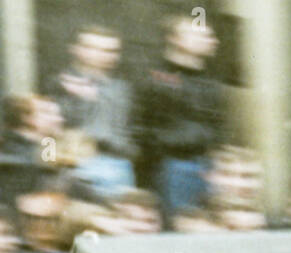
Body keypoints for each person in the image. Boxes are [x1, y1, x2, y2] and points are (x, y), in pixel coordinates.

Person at [134, 15, 223, 223]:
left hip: (207, 165)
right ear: (176, 39)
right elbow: (144, 128)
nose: (211, 41)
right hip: (171, 165)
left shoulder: (211, 82)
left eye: (210, 36)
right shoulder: (155, 77)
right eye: (200, 35)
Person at [51, 25, 135, 198]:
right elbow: (54, 126)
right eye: (95, 49)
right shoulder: (61, 82)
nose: (105, 56)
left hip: (120, 163)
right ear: (76, 49)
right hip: (81, 162)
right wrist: (81, 99)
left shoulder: (121, 87)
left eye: (111, 50)